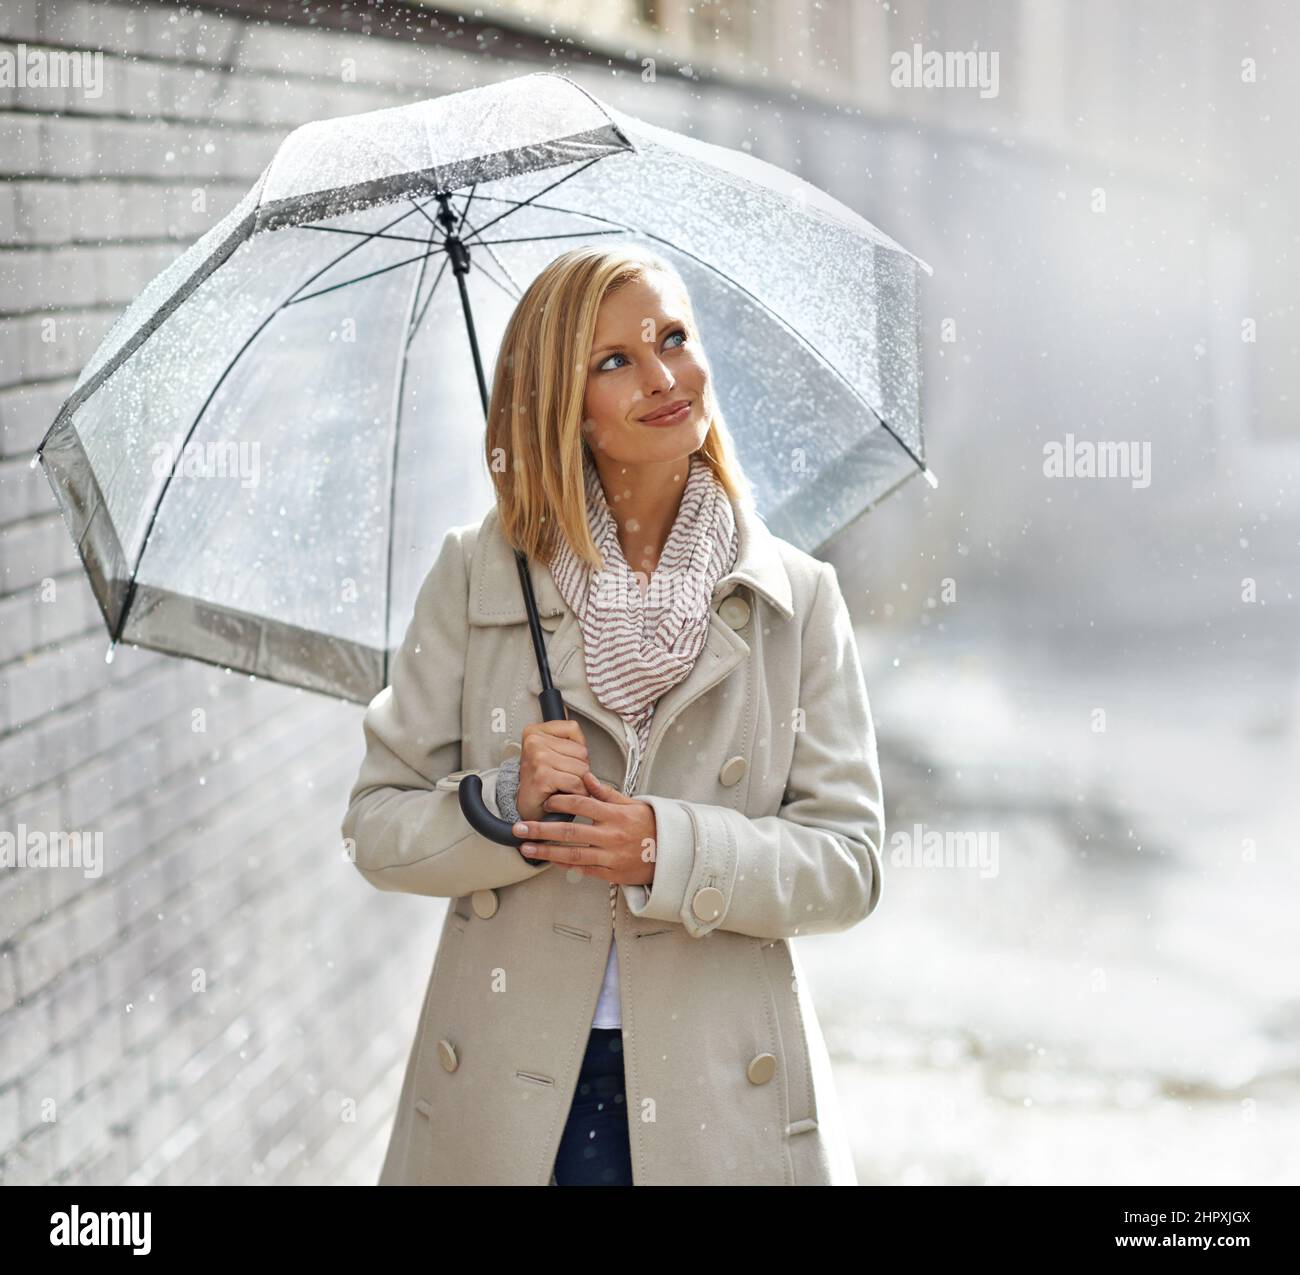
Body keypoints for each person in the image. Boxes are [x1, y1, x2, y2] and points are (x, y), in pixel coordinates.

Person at [341, 243, 884, 1186]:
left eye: (674, 338)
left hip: (721, 1089)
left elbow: (848, 862)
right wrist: (504, 804)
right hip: (510, 1099)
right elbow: (376, 829)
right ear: (565, 408)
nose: (665, 376)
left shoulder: (795, 595)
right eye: (615, 361)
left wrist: (666, 850)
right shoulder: (478, 575)